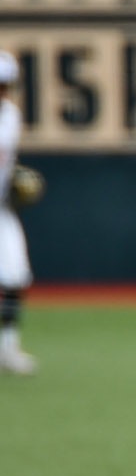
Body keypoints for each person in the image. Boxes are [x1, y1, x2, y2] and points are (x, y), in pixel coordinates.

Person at [0, 51, 36, 376]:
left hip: (1, 212)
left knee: (15, 275)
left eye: (6, 84)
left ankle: (7, 347)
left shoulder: (11, 115)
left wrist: (15, 181)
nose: (3, 91)